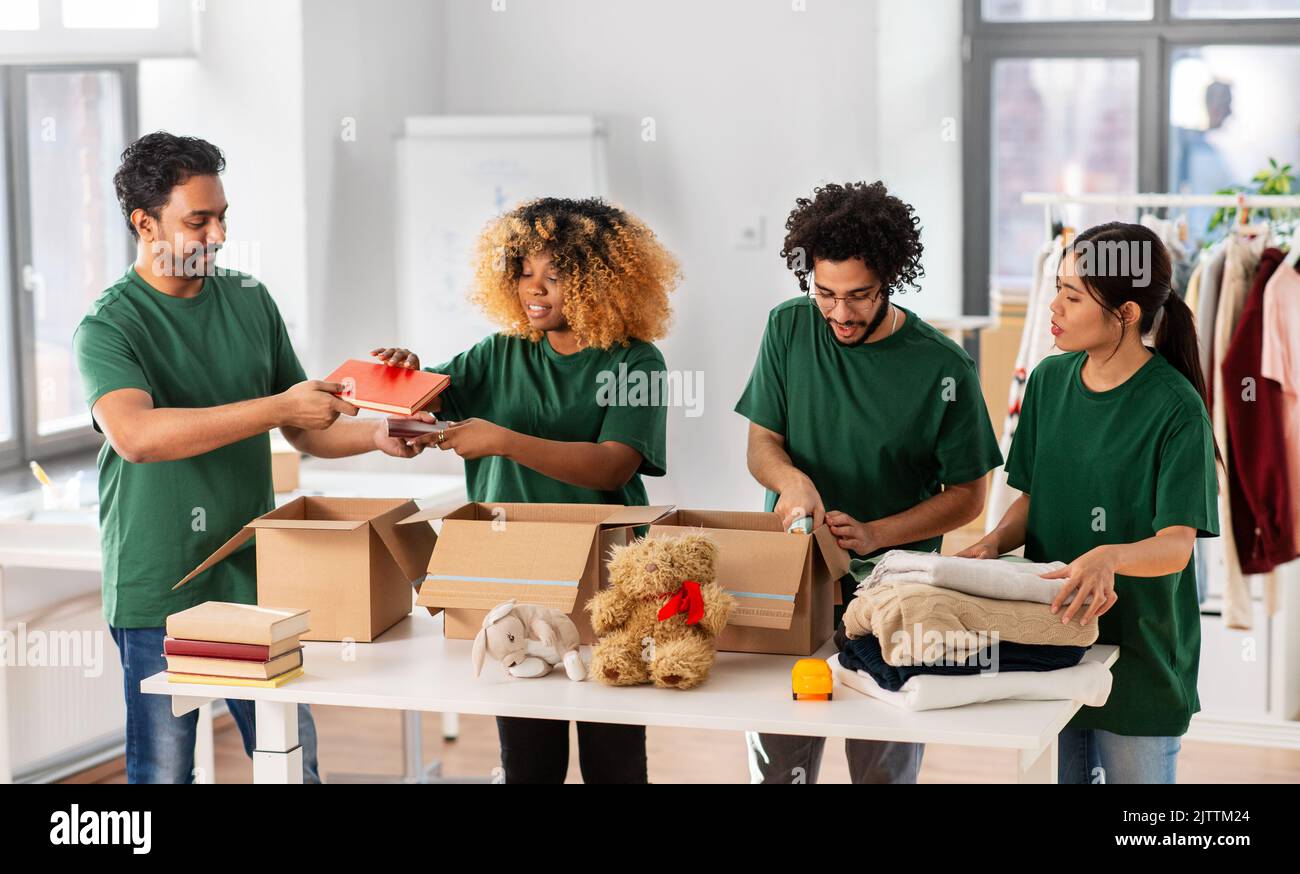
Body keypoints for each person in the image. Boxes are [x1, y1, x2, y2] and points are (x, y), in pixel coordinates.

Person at [74, 132, 426, 783]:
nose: (218, 235)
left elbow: (308, 426)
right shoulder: (110, 326)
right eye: (198, 220)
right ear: (143, 223)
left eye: (223, 216)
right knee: (163, 771)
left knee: (294, 760)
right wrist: (280, 409)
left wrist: (378, 434)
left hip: (251, 577)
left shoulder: (247, 299)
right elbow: (137, 436)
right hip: (159, 584)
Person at [373, 196, 679, 783]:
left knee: (612, 757)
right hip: (512, 576)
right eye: (523, 271)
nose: (532, 289)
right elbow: (422, 404)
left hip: (605, 578)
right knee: (528, 758)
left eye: (554, 277)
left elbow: (613, 466)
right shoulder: (498, 352)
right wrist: (404, 375)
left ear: (597, 283)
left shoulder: (638, 362)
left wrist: (504, 440)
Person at [735, 181, 1004, 783]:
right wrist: (792, 483)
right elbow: (762, 445)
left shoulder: (942, 366)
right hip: (795, 579)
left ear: (889, 279)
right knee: (779, 764)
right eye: (824, 294)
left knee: (883, 765)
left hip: (894, 594)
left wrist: (875, 533)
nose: (839, 313)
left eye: (857, 296)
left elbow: (968, 497)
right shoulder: (789, 328)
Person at [959, 222, 1220, 784]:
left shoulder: (1176, 409)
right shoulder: (1049, 381)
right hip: (1053, 643)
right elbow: (1035, 496)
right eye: (1057, 287)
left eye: (1073, 296)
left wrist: (1110, 557)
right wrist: (991, 544)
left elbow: (1175, 547)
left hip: (1139, 657)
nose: (1053, 306)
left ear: (1126, 313)